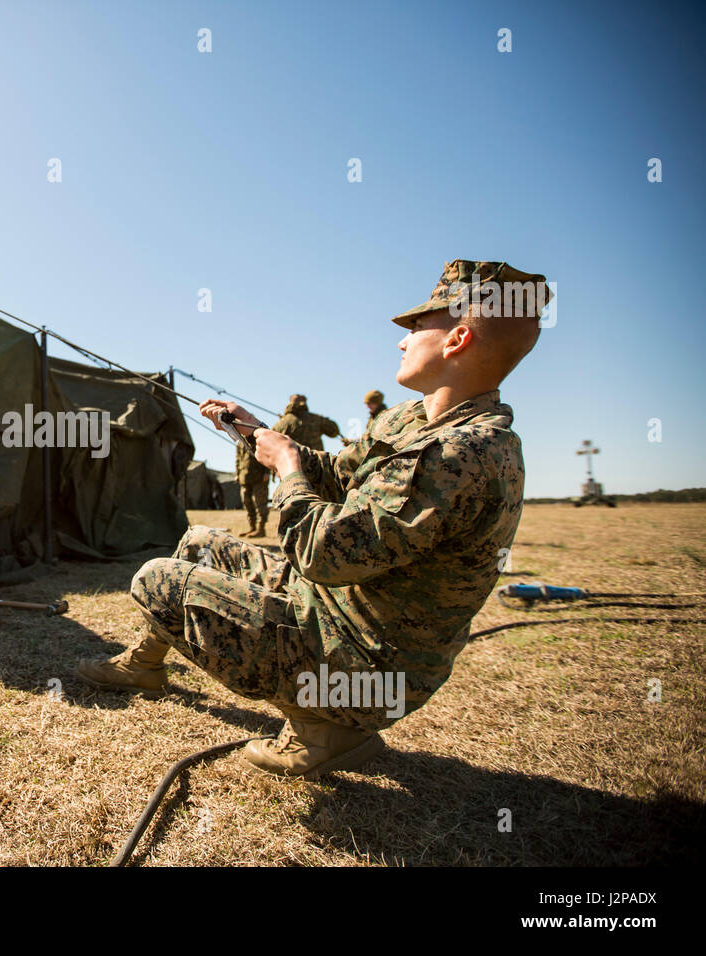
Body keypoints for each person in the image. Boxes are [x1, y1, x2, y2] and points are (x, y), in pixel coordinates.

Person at [76, 259, 548, 779]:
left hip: (366, 667)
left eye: (416, 327)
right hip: (339, 617)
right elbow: (332, 473)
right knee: (200, 544)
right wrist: (257, 433)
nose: (402, 340)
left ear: (457, 339)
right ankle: (144, 666)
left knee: (158, 581)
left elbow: (322, 556)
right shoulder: (411, 421)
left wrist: (287, 468)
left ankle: (324, 724)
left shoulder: (462, 453)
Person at [272, 394, 341, 450]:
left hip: (292, 463)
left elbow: (271, 443)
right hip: (317, 463)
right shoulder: (316, 419)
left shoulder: (282, 423)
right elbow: (334, 432)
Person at [234, 440, 270, 538]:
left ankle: (260, 529)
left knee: (260, 503)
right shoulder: (240, 442)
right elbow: (238, 459)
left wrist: (267, 471)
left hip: (259, 477)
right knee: (247, 502)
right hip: (244, 477)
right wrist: (237, 473)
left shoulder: (259, 439)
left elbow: (268, 455)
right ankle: (252, 527)